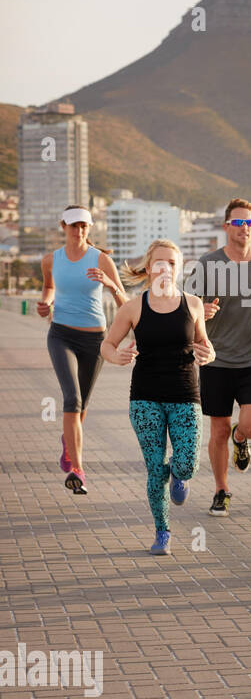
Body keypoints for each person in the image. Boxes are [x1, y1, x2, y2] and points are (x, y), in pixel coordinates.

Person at [100, 240, 214, 554]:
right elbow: (107, 345)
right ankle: (162, 531)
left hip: (185, 395)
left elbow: (206, 344)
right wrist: (116, 357)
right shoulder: (133, 307)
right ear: (149, 268)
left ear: (179, 269)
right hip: (145, 398)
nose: (165, 268)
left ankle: (180, 477)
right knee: (154, 468)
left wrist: (209, 353)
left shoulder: (192, 304)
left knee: (187, 464)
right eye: (159, 262)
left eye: (172, 263)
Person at [192, 198, 251, 517]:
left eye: (249, 222)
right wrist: (199, 311)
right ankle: (221, 489)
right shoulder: (207, 263)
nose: (244, 228)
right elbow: (186, 305)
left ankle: (241, 439)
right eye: (238, 222)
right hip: (215, 360)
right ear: (226, 226)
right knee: (217, 429)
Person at [36, 205, 129, 494]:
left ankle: (68, 441)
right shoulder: (51, 260)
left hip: (94, 341)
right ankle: (78, 469)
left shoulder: (100, 259)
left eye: (84, 226)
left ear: (89, 228)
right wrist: (46, 303)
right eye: (74, 225)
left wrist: (110, 283)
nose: (79, 231)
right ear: (63, 226)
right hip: (61, 334)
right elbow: (49, 288)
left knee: (83, 406)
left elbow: (124, 302)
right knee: (72, 399)